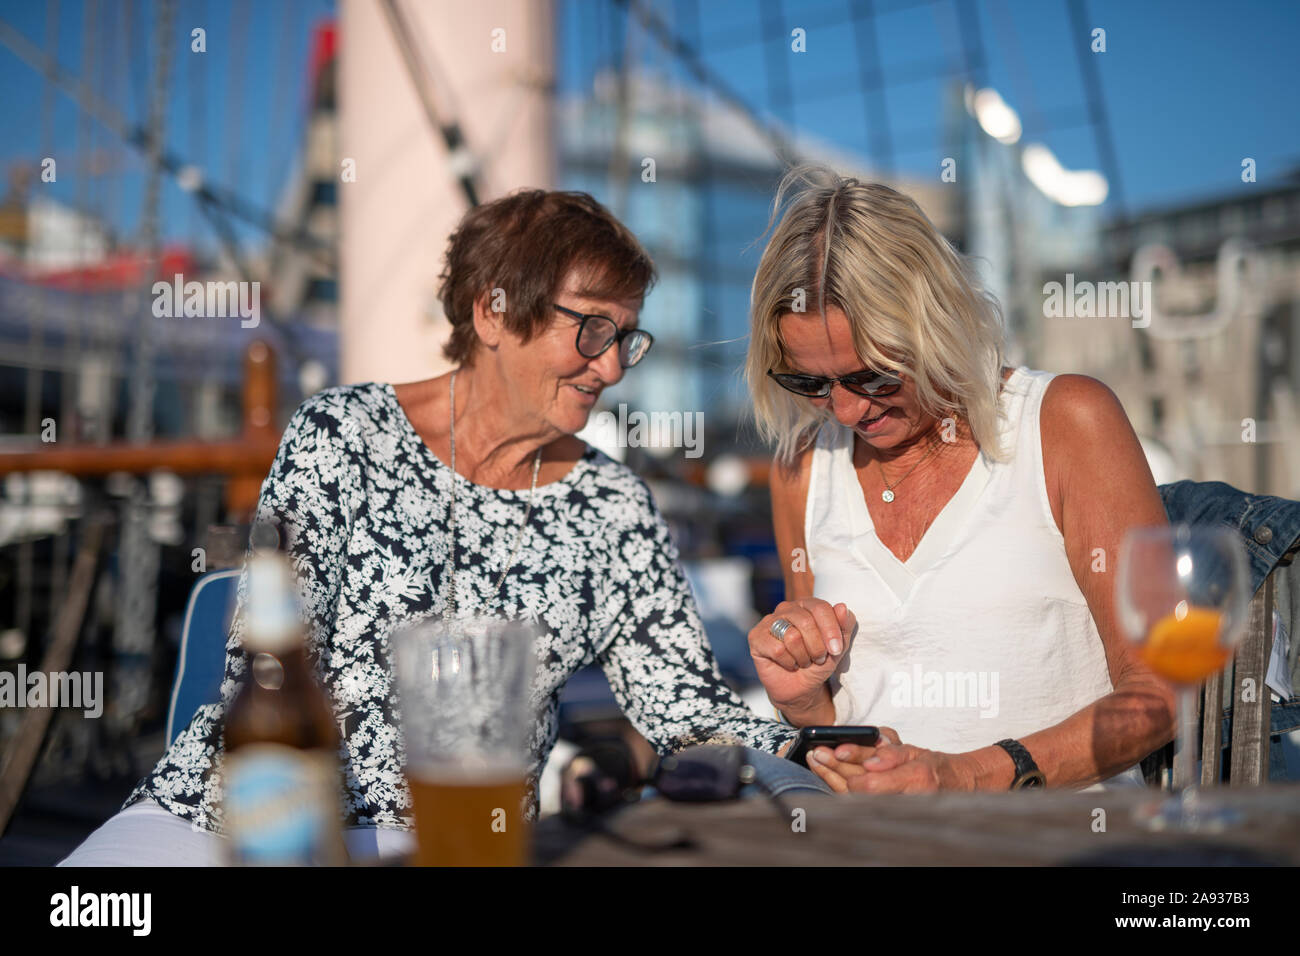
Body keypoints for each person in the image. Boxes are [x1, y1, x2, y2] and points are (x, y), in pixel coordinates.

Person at [62, 189, 821, 866]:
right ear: (492, 311)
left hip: (455, 839)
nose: (614, 366)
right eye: (592, 329)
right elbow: (266, 663)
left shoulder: (613, 507)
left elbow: (689, 710)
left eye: (627, 337)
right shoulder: (346, 433)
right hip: (232, 809)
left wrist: (805, 745)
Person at [743, 165, 1178, 794]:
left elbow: (1160, 692)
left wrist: (963, 777)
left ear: (935, 325)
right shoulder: (803, 469)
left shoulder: (1064, 421)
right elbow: (849, 716)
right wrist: (806, 705)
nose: (845, 411)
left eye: (874, 376)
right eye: (809, 383)